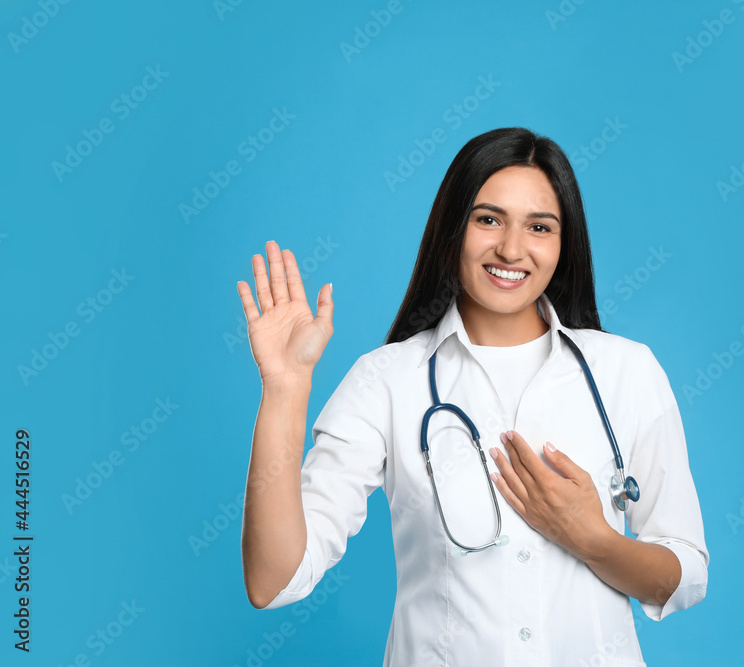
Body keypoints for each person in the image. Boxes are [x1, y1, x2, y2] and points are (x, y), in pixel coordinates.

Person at [238, 127, 708, 666]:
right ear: (452, 227)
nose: (511, 248)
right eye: (488, 219)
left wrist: (594, 540)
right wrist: (285, 387)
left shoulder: (627, 371)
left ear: (564, 244)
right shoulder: (386, 380)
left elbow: (686, 576)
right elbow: (274, 581)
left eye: (539, 227)